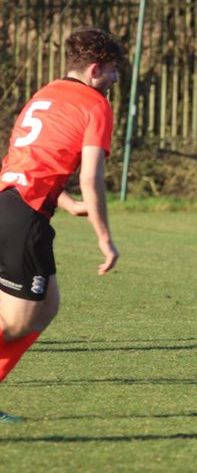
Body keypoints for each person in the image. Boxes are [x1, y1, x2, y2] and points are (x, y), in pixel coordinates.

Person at [0, 27, 123, 422]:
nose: (116, 80)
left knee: (47, 306)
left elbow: (31, 159)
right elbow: (91, 178)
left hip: (10, 201)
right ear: (94, 69)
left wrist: (66, 202)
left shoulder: (47, 92)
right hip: (24, 217)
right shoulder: (96, 105)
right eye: (113, 71)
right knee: (19, 322)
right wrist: (105, 239)